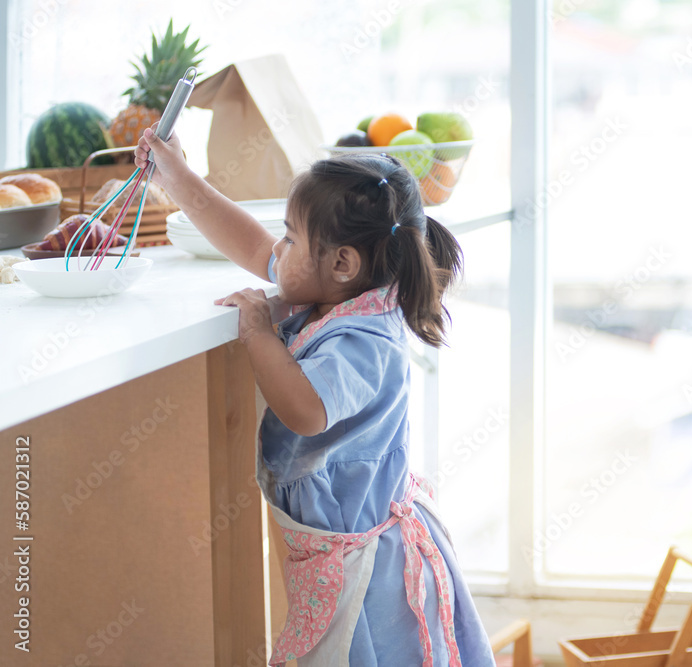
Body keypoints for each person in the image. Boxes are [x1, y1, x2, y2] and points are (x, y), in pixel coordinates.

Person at [135, 126, 495, 667]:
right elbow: (253, 245)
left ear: (342, 263)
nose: (276, 249)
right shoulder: (341, 290)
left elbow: (305, 411)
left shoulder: (362, 340)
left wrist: (258, 333)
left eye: (290, 237)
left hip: (367, 565)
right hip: (336, 540)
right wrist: (179, 178)